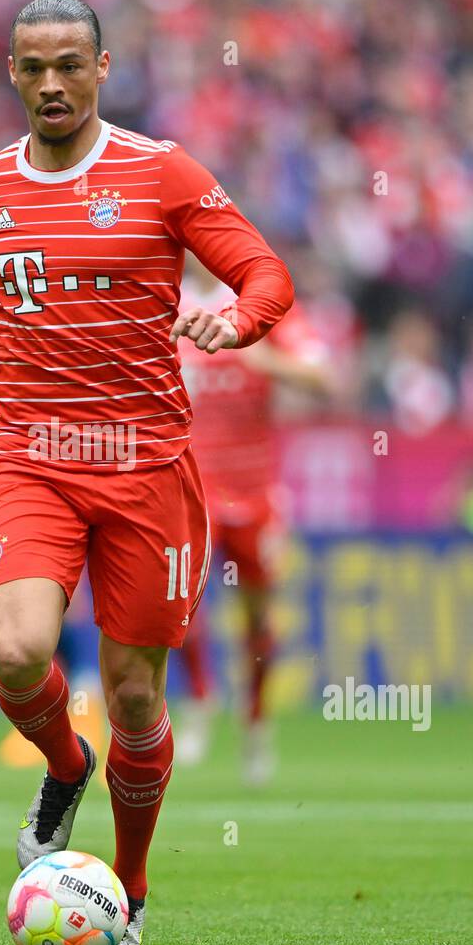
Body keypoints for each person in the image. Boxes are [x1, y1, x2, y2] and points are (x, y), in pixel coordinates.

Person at [0, 0, 294, 945]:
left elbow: (267, 278)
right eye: (33, 66)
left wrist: (233, 323)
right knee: (18, 650)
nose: (52, 83)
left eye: (69, 65)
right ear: (10, 71)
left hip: (147, 469)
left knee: (135, 695)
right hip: (32, 460)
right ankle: (63, 763)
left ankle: (128, 890)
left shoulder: (162, 173)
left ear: (102, 68)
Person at [175, 264, 333, 783]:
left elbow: (322, 377)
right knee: (178, 601)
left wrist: (260, 353)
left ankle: (257, 721)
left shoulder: (260, 304)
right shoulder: (160, 296)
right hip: (189, 486)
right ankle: (201, 700)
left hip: (255, 490)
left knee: (258, 615)